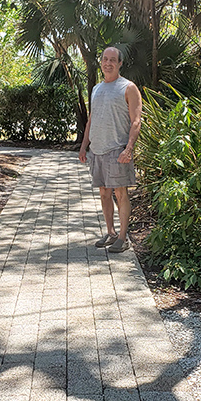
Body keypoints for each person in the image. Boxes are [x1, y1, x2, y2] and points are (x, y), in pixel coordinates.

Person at [78, 46, 142, 252]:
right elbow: (91, 120)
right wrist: (83, 146)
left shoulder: (128, 87)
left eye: (112, 60)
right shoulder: (96, 89)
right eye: (105, 59)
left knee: (120, 194)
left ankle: (123, 238)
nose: (108, 63)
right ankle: (111, 233)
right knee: (104, 193)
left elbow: (136, 121)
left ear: (120, 63)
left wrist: (129, 148)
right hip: (97, 150)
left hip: (117, 150)